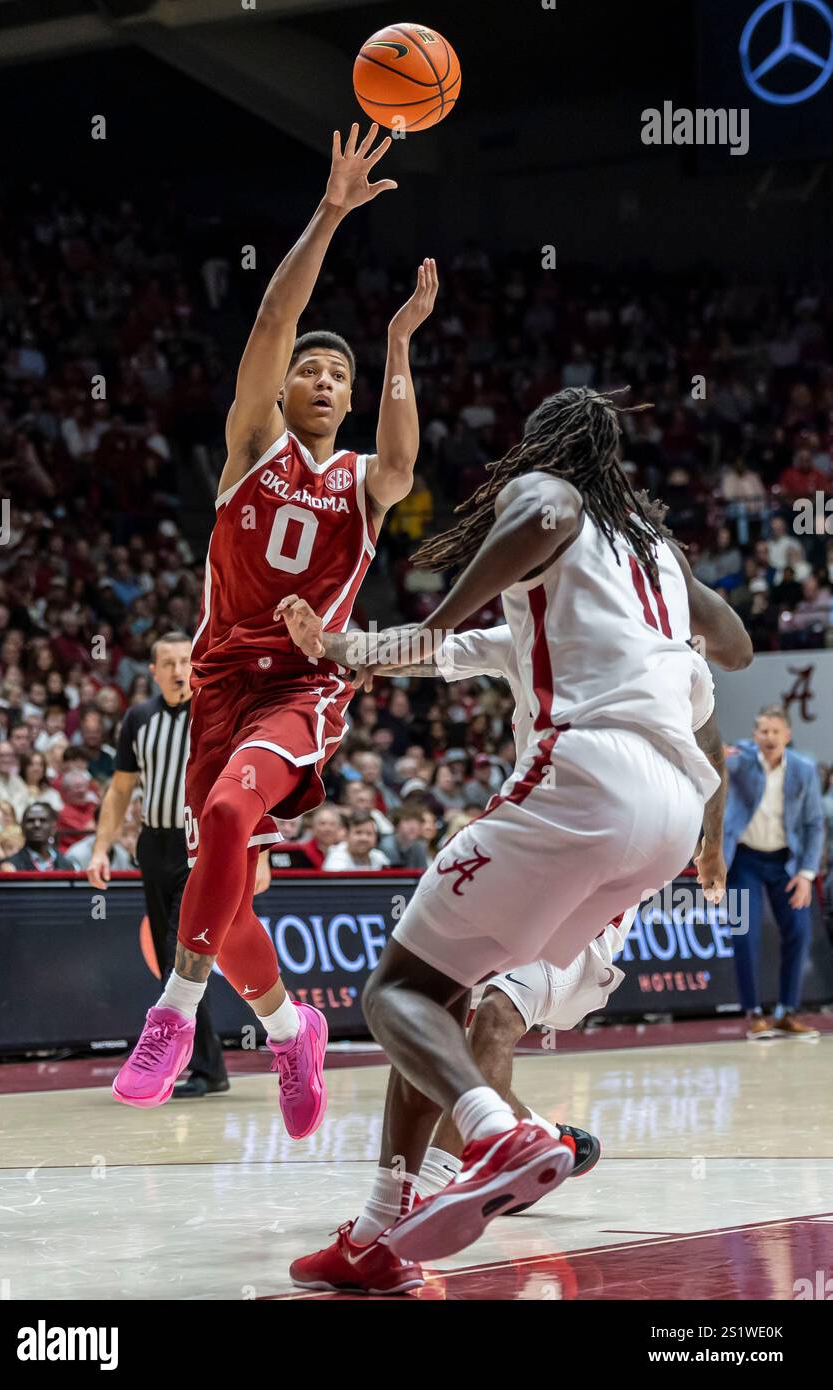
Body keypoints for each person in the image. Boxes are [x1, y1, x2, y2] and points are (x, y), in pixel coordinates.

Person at [279, 384, 752, 1288]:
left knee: (393, 992)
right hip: (665, 820)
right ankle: (378, 1234)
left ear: (543, 453)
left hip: (590, 777)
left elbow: (527, 527)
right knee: (441, 993)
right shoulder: (651, 555)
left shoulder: (552, 496)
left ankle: (499, 1133)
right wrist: (345, 648)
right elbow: (732, 647)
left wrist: (435, 613)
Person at [112, 123, 439, 1139]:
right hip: (217, 682)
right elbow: (270, 317)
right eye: (312, 370)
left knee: (219, 823)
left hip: (300, 692)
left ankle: (171, 1011)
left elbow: (398, 460)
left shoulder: (363, 485)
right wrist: (333, 210)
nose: (322, 380)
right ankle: (291, 1028)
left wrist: (393, 347)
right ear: (285, 387)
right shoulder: (250, 446)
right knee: (234, 905)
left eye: (338, 376)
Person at [89, 633, 231, 1097]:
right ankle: (202, 1063)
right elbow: (121, 789)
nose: (176, 670)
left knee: (181, 953)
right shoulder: (138, 718)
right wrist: (99, 848)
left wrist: (259, 853)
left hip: (202, 846)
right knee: (171, 958)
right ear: (152, 672)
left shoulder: (214, 711)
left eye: (185, 661)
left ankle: (206, 1067)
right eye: (167, 663)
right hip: (154, 845)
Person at [723, 706, 824, 1039]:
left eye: (775, 732)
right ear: (755, 736)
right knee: (744, 935)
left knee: (799, 933)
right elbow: (720, 757)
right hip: (743, 862)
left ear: (787, 736)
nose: (768, 738)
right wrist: (715, 754)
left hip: (786, 864)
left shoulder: (804, 770)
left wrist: (807, 874)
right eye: (763, 732)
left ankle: (786, 1012)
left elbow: (813, 823)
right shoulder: (741, 760)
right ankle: (754, 1014)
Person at [2, 802, 75, 871]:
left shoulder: (67, 864)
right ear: (22, 827)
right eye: (31, 821)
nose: (37, 825)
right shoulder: (11, 867)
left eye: (43, 820)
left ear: (53, 827)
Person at [323, 811, 390, 871]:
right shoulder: (336, 857)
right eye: (358, 832)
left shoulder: (379, 857)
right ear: (347, 835)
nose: (364, 838)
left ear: (376, 838)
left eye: (369, 833)